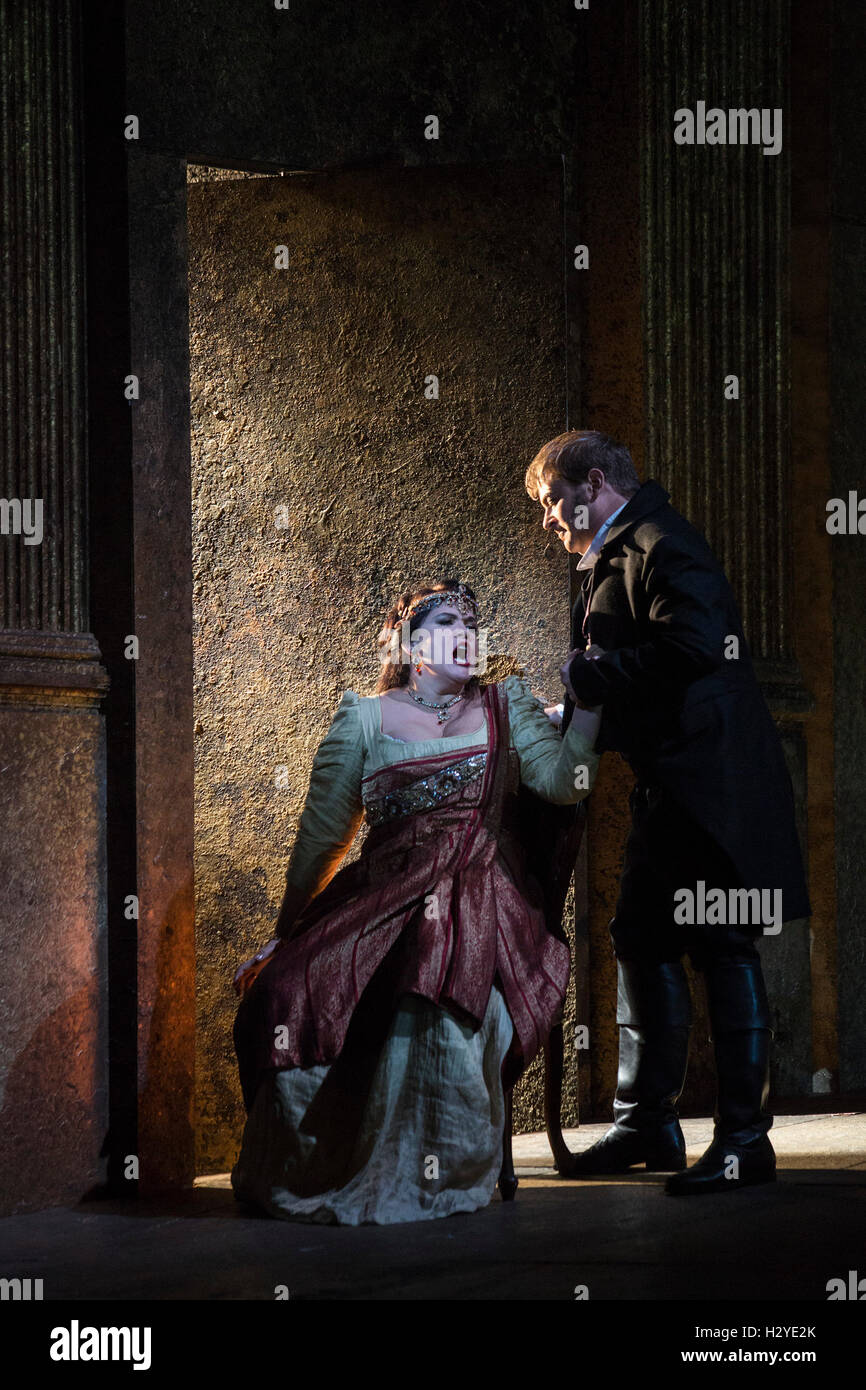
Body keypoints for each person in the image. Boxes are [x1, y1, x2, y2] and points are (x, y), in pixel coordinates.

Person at [230, 580, 601, 1224]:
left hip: (480, 893)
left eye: (472, 623)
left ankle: (431, 1165)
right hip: (381, 894)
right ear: (408, 644)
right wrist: (287, 933)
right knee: (286, 990)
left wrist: (589, 704)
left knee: (432, 983)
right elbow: (319, 839)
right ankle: (308, 1165)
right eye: (448, 621)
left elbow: (565, 782)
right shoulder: (363, 719)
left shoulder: (504, 703)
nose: (466, 633)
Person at [526, 429, 811, 1195]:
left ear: (593, 484)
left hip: (714, 786)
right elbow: (635, 681)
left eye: (552, 501)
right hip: (671, 786)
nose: (548, 519)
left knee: (722, 945)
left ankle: (744, 1142)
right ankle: (646, 1124)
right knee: (641, 936)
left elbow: (700, 647)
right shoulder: (618, 554)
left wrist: (594, 675)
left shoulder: (661, 541)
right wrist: (566, 713)